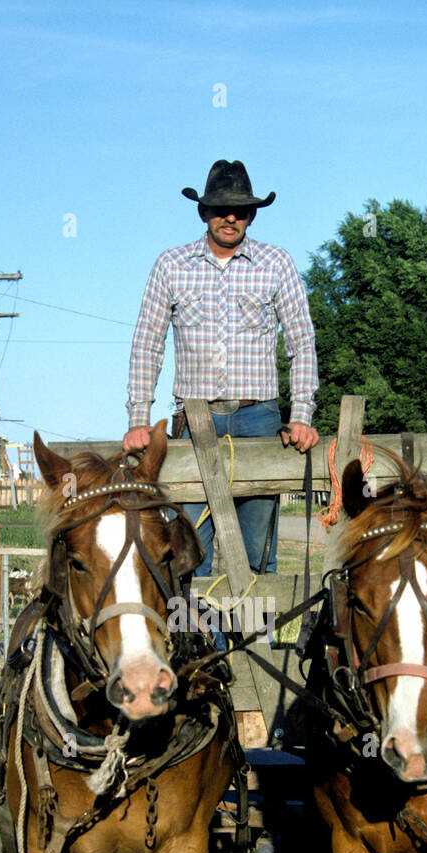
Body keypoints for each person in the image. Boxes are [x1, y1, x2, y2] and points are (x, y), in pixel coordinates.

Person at [124, 159, 318, 575]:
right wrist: (139, 419)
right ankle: (205, 640)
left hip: (259, 417)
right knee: (192, 549)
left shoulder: (276, 263)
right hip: (195, 420)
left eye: (241, 210)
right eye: (220, 208)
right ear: (203, 212)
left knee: (257, 550)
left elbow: (302, 341)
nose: (230, 217)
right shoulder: (171, 265)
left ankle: (253, 640)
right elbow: (146, 343)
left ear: (251, 216)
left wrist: (301, 415)